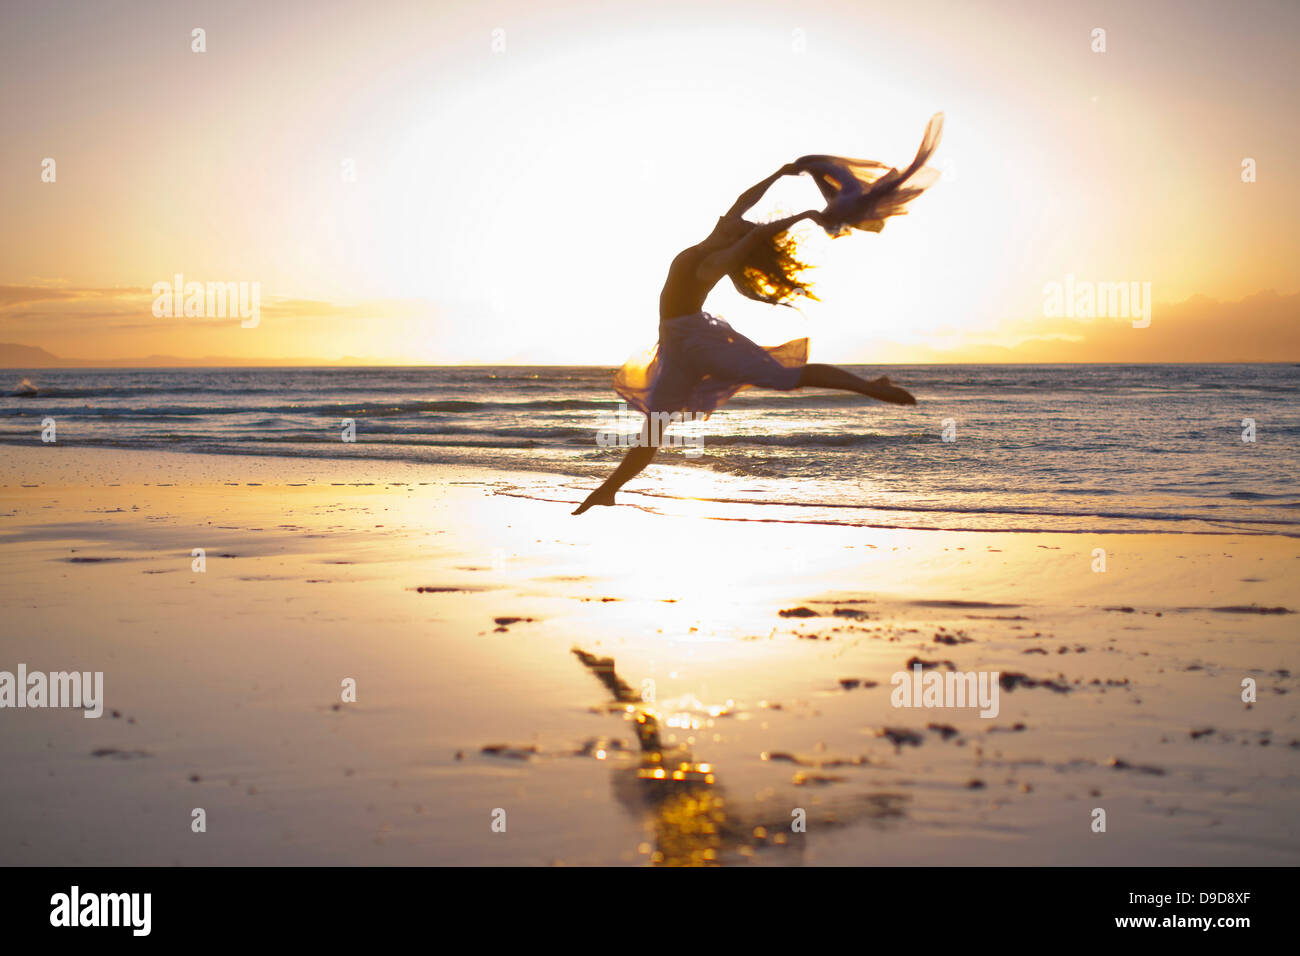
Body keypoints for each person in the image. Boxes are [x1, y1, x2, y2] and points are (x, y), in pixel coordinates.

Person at [573, 115, 944, 516]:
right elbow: (743, 203)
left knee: (785, 375)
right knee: (654, 428)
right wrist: (779, 173)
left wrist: (802, 218)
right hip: (676, 347)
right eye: (734, 224)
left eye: (739, 229)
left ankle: (872, 386)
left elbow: (753, 234)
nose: (735, 223)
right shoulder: (715, 239)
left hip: (697, 343)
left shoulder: (712, 262)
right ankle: (608, 490)